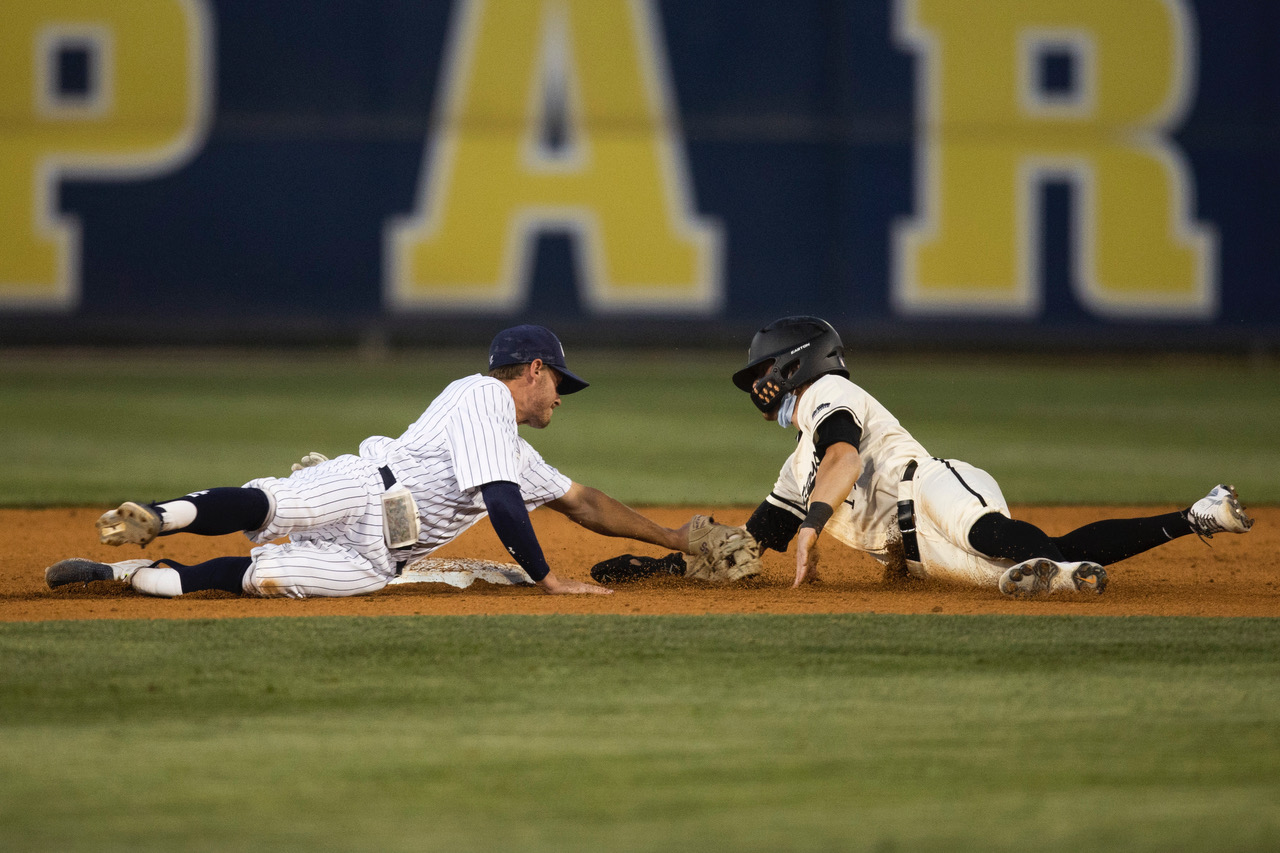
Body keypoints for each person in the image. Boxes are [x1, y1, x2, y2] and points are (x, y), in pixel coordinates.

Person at [592, 316, 1254, 597]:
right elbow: (747, 545)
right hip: (915, 553)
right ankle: (1062, 574)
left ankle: (1198, 515)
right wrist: (659, 566)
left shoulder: (829, 392)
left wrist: (813, 526)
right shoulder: (795, 465)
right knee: (1012, 575)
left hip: (936, 487)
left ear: (798, 364)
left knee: (1003, 536)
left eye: (765, 369)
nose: (757, 384)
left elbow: (846, 457)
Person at [46, 325, 715, 598]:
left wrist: (672, 537)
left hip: (377, 561)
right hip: (369, 487)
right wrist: (547, 579)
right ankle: (160, 515)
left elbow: (585, 501)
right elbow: (504, 503)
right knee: (279, 501)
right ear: (533, 371)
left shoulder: (519, 454)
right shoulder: (483, 395)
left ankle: (126, 572)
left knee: (263, 578)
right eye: (559, 384)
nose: (561, 398)